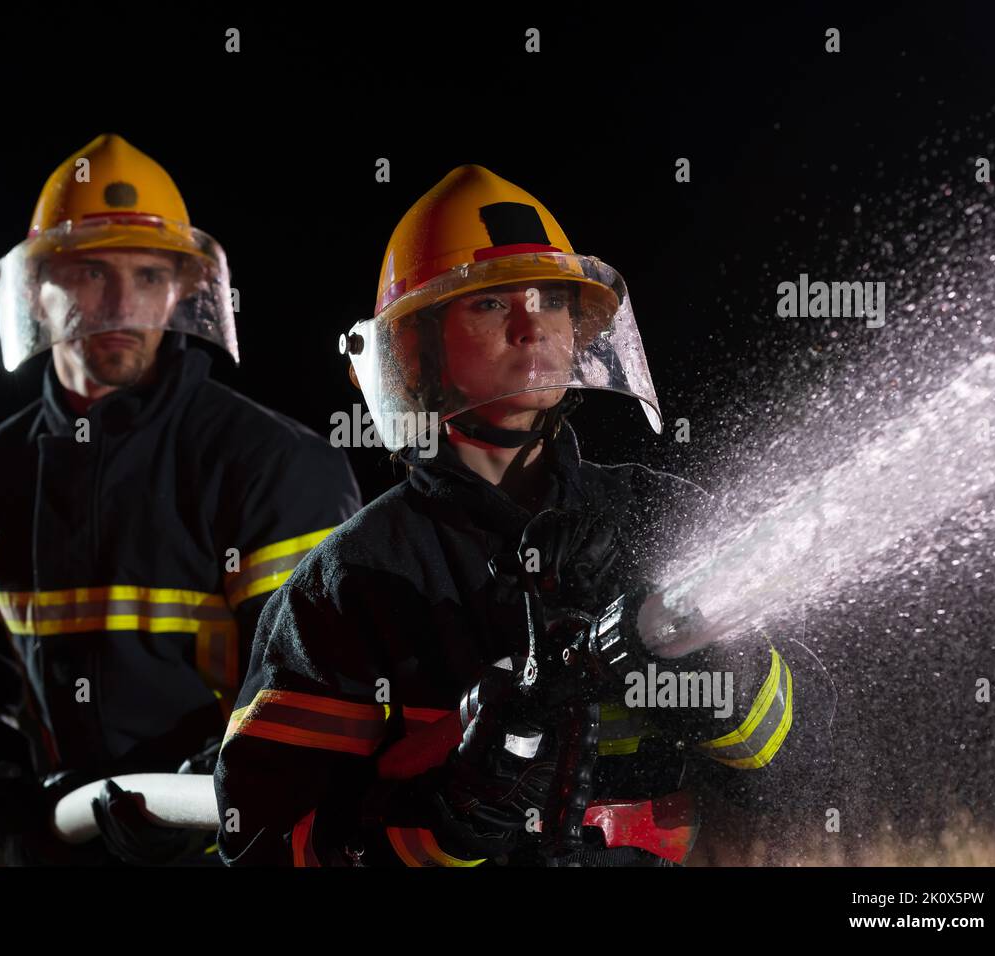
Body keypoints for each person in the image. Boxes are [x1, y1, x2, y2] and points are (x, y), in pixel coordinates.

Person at [215, 165, 792, 866]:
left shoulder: (657, 514)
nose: (530, 325)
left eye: (550, 298)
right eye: (488, 305)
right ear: (416, 348)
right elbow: (267, 845)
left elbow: (804, 767)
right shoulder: (349, 582)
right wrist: (448, 812)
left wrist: (709, 672)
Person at [0, 134, 361, 864]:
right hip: (59, 849)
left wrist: (195, 800)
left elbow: (320, 696)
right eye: (89, 274)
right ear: (34, 292)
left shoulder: (276, 466)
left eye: (149, 276)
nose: (120, 303)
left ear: (182, 291)